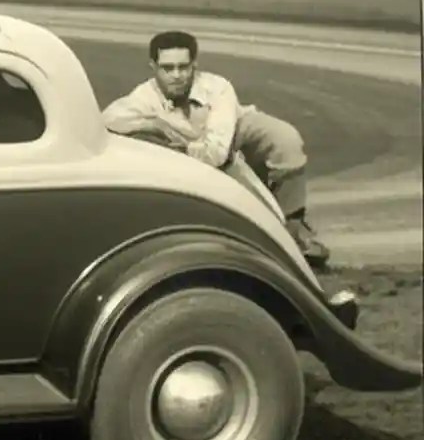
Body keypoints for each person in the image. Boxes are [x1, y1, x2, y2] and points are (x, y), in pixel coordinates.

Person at [102, 30, 330, 266]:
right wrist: (154, 125)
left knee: (285, 138)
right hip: (191, 148)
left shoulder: (218, 87)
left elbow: (217, 152)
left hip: (231, 133)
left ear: (195, 66)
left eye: (184, 67)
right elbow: (107, 120)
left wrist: (183, 148)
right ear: (153, 67)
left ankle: (294, 232)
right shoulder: (143, 96)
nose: (177, 75)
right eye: (168, 68)